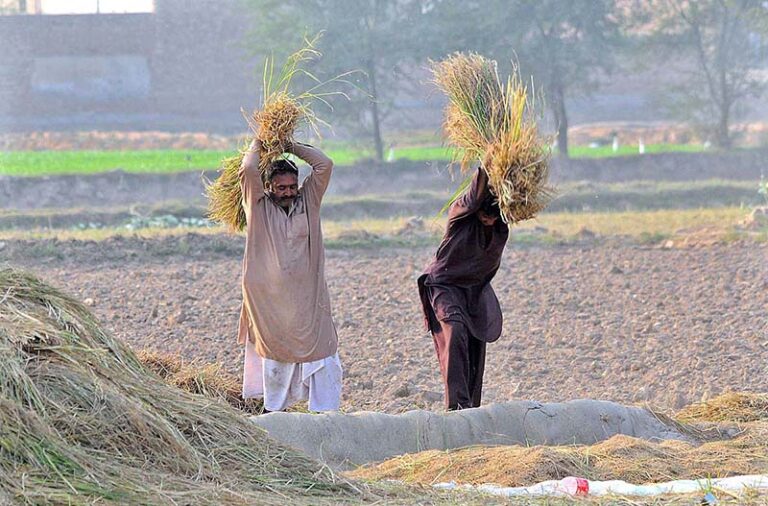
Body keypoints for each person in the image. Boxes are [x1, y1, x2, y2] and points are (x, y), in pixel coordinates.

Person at [238, 139, 342, 412]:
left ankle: (326, 415)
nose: (288, 192)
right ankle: (274, 414)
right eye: (281, 187)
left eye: (292, 186)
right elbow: (249, 168)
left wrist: (288, 144)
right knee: (275, 361)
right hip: (269, 303)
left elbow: (324, 164)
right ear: (269, 187)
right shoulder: (258, 207)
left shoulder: (308, 202)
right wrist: (261, 142)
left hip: (309, 300)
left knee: (325, 357)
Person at [417, 167, 509, 410]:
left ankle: (471, 409)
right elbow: (475, 195)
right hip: (445, 286)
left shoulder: (501, 229)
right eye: (484, 214)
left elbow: (513, 205)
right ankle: (456, 407)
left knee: (476, 346)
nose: (488, 220)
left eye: (494, 215)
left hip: (476, 292)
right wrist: (489, 162)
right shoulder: (461, 215)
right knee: (455, 330)